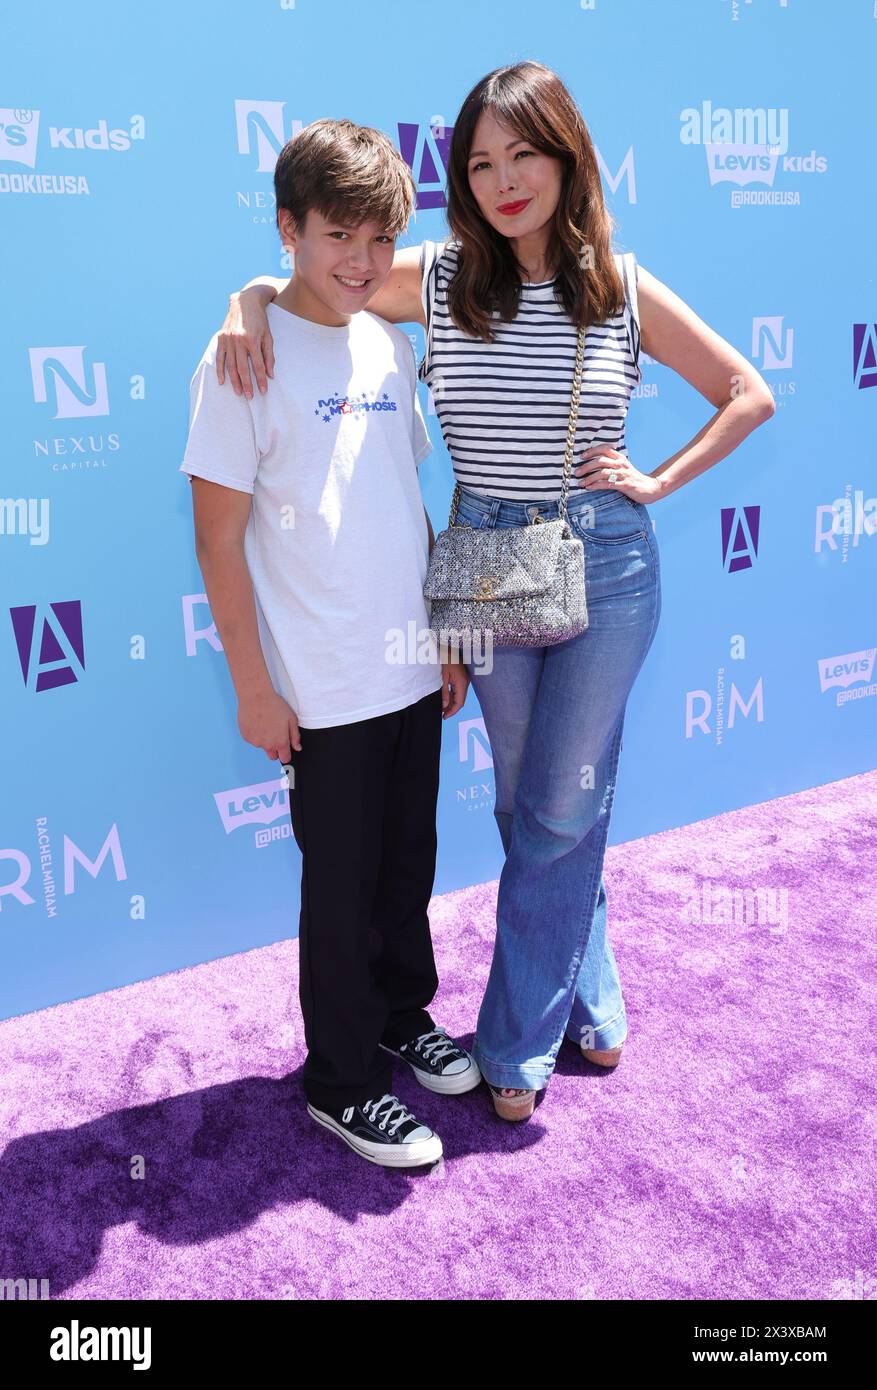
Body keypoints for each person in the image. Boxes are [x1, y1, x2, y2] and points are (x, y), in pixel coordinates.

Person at [210, 62, 775, 1123]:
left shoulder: (617, 277)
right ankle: (593, 998)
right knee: (533, 806)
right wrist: (241, 305)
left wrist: (655, 480)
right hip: (481, 554)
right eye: (480, 161)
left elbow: (749, 391)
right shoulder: (437, 276)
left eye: (524, 154)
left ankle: (515, 1047)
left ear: (566, 157)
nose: (504, 178)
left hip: (599, 556)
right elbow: (304, 283)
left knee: (560, 807)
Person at [180, 117, 481, 1168]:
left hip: (408, 667)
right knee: (341, 894)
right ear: (288, 229)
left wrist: (445, 631)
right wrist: (252, 691)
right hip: (321, 691)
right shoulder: (238, 361)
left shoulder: (389, 343)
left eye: (377, 239)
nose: (359, 260)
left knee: (408, 870)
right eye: (336, 235)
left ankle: (402, 1017)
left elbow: (409, 500)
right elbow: (217, 539)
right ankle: (342, 1082)